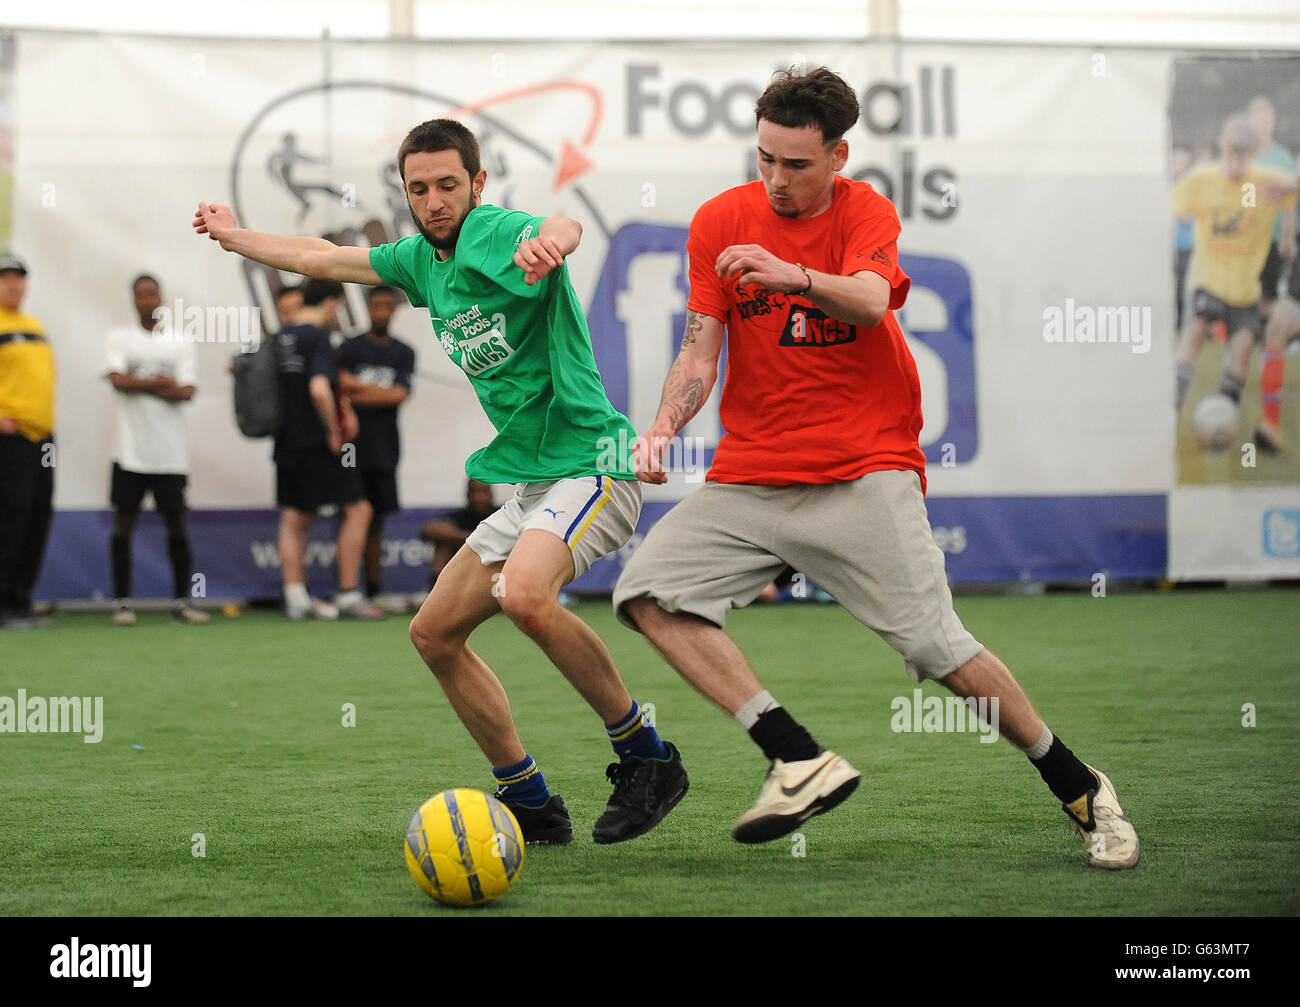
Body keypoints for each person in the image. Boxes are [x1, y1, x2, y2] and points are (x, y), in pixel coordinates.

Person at [613, 67, 1141, 869]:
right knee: (649, 594)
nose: (776, 179)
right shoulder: (719, 222)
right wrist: (659, 428)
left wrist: (788, 272)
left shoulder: (866, 212)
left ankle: (1081, 787)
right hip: (752, 474)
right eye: (764, 159)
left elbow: (867, 298)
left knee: (942, 654)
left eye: (796, 164)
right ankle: (796, 756)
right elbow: (698, 349)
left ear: (837, 156)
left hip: (864, 468)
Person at [192, 118, 687, 846]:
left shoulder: (493, 231)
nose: (434, 200)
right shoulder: (422, 262)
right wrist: (237, 236)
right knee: (433, 632)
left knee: (524, 595)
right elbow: (322, 257)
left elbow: (562, 221)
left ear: (477, 184)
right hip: (531, 487)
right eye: (419, 188)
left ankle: (648, 756)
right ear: (406, 194)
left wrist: (555, 240)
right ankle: (529, 798)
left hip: (592, 464)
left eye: (448, 184)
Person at [270, 278, 384, 621]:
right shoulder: (318, 337)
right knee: (359, 509)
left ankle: (296, 596)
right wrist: (334, 430)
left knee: (294, 517)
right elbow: (320, 389)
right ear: (331, 302)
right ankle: (348, 594)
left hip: (285, 440)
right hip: (319, 442)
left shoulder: (280, 338)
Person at [1172, 115, 1297, 428]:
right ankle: (1170, 409)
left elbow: (1292, 190)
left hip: (1244, 289)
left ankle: (1220, 422)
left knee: (1242, 350)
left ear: (1255, 154)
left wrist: (1290, 190)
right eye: (1231, 153)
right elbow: (1172, 209)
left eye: (1244, 155)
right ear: (1222, 148)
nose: (1237, 163)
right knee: (1197, 328)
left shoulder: (1266, 182)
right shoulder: (1201, 181)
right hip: (1208, 278)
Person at [104, 274, 209, 625]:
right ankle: (122, 603)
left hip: (170, 455)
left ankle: (182, 602)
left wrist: (141, 385)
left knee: (177, 526)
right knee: (123, 525)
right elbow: (117, 382)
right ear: (133, 300)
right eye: (140, 294)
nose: (147, 299)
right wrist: (160, 383)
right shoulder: (120, 338)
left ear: (161, 298)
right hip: (130, 452)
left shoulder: (180, 341)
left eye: (152, 293)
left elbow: (187, 392)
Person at [338, 285, 416, 602]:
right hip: (350, 447)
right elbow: (340, 389)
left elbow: (399, 395)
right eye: (376, 306)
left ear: (395, 309)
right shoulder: (349, 348)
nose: (382, 312)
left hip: (385, 446)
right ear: (367, 308)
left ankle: (372, 588)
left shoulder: (403, 352)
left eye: (388, 306)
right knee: (352, 513)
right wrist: (376, 393)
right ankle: (347, 589)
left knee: (378, 518)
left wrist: (361, 392)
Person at [0, 253, 54, 631]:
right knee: (9, 519)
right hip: (10, 437)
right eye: (5, 278)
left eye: (19, 278)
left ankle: (20, 601)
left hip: (43, 439)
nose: (13, 285)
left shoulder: (34, 325)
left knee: (36, 518)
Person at [419, 478, 497, 587]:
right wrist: (471, 540)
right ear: (468, 495)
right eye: (475, 492)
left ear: (491, 494)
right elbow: (429, 529)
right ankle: (440, 592)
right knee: (443, 545)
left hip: (495, 566)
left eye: (483, 492)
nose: (479, 497)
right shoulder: (459, 517)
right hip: (462, 570)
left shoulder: (500, 515)